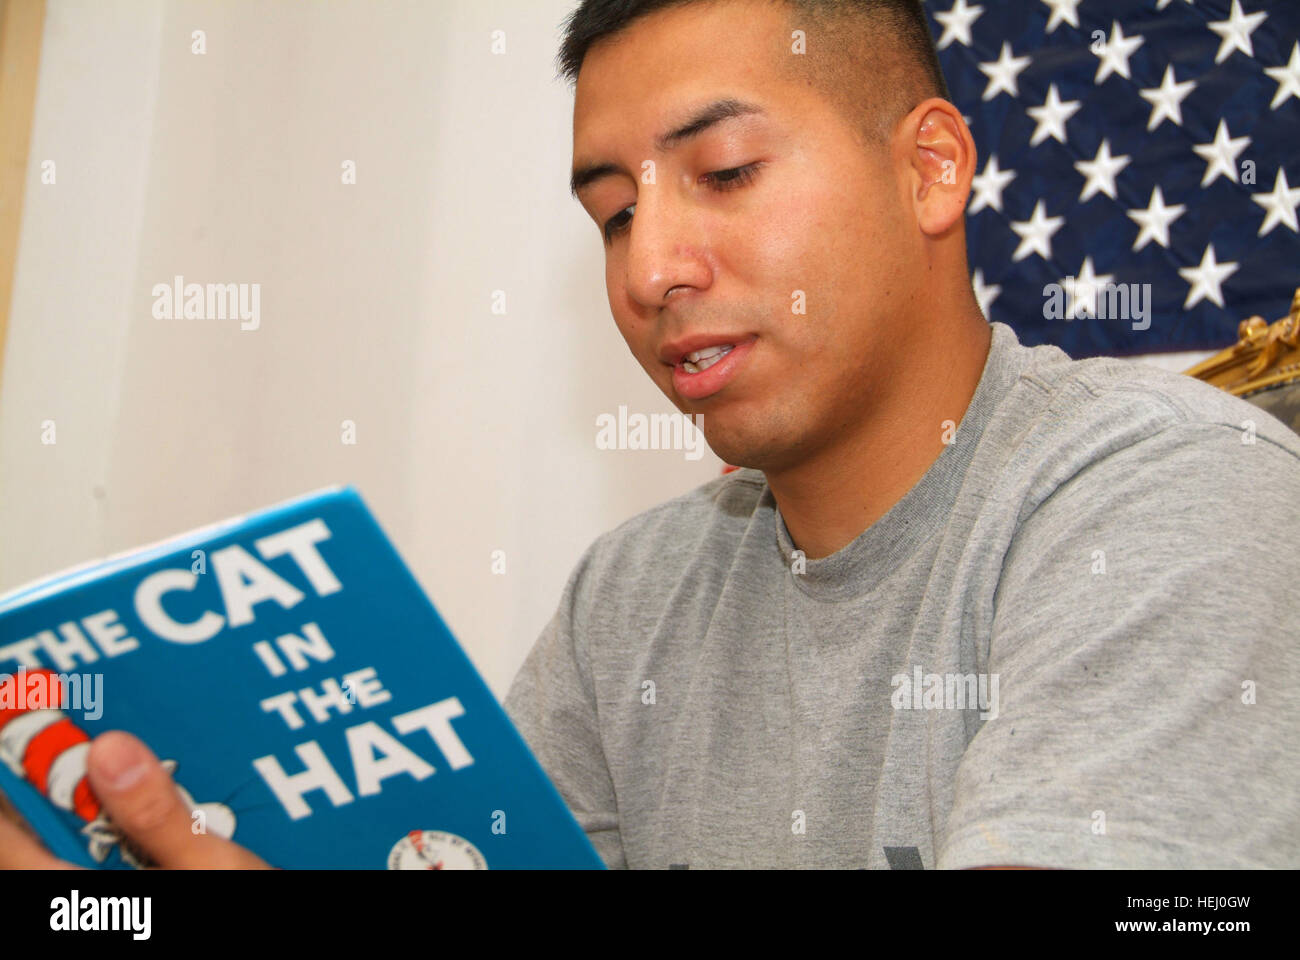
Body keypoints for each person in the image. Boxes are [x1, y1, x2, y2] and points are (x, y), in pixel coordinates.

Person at [2, 0, 1297, 871]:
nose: (651, 266)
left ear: (932, 169)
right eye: (613, 213)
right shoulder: (631, 594)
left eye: (725, 172)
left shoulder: (1174, 498)